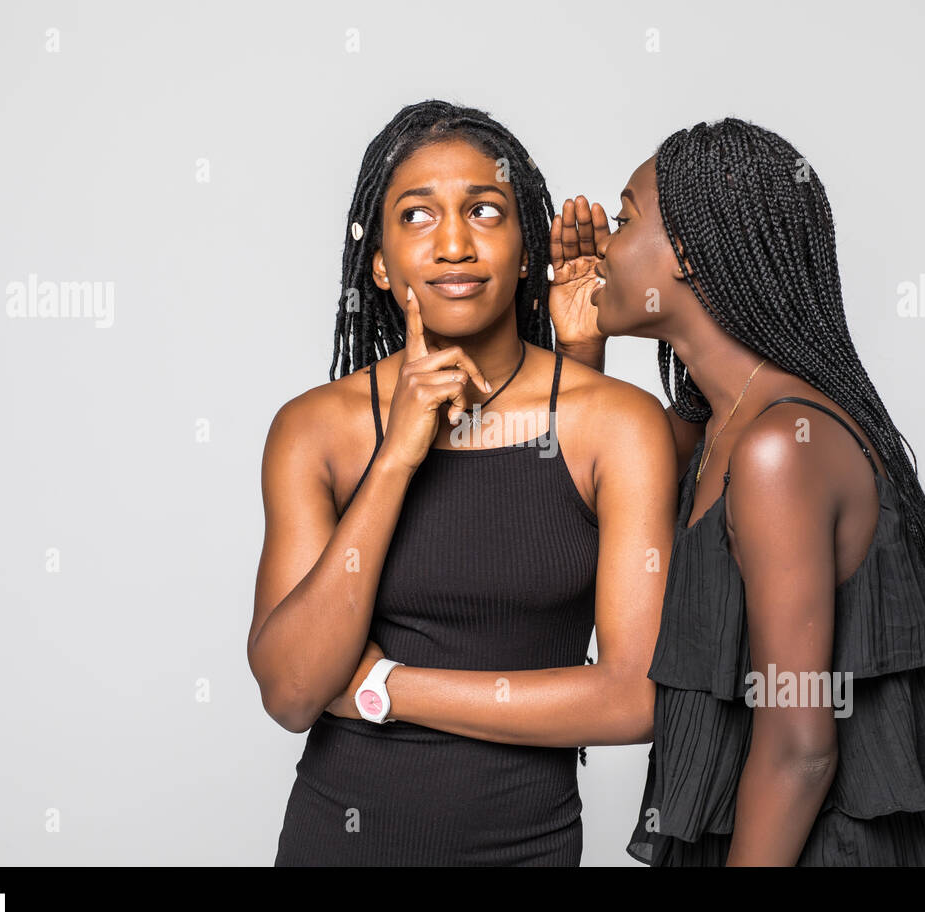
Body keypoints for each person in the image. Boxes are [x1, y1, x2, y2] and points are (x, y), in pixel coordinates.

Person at [246, 100, 678, 866]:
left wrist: (385, 686)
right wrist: (398, 457)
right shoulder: (316, 430)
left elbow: (634, 698)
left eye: (484, 210)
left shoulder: (616, 424)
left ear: (523, 253)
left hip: (526, 848)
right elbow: (290, 692)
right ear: (379, 262)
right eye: (416, 216)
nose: (453, 244)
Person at [550, 117, 925, 865]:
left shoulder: (779, 449)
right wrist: (581, 350)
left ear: (684, 252)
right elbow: (597, 506)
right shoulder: (715, 427)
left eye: (624, 222)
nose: (605, 249)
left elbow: (800, 748)